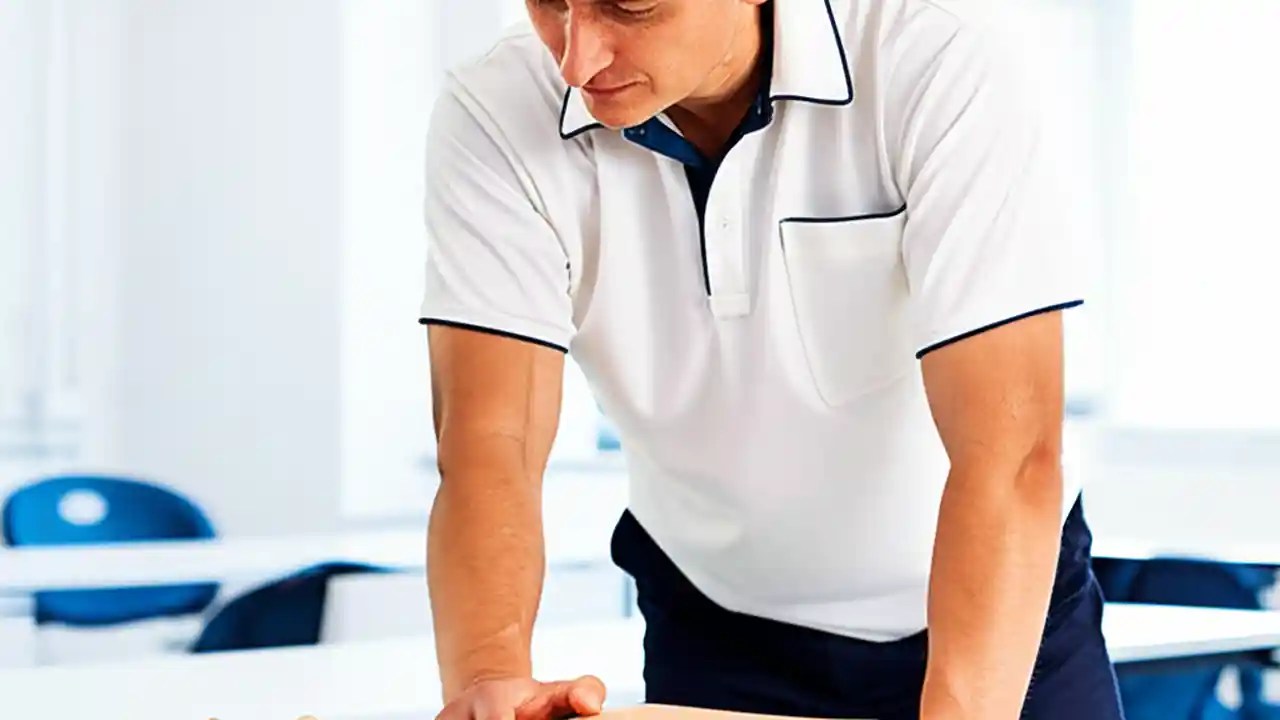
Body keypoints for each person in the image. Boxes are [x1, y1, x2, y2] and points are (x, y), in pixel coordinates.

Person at [419, 1, 1122, 719]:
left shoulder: (936, 60)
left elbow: (1010, 455)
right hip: (719, 626)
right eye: (551, 4)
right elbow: (491, 444)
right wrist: (488, 678)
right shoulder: (498, 106)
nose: (576, 60)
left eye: (630, 8)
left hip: (1000, 620)